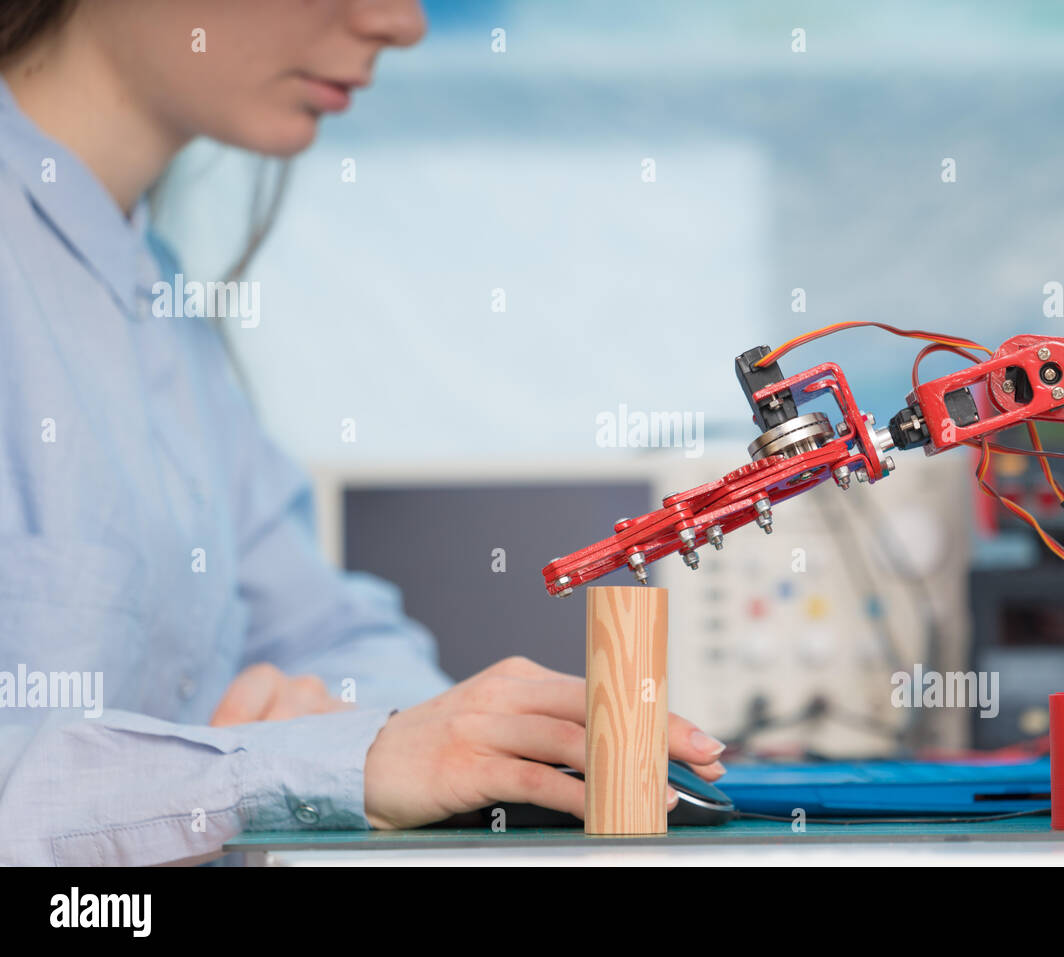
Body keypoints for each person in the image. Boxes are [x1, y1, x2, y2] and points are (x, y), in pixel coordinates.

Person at [0, 0, 724, 866]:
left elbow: (336, 637)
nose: (402, 22)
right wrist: (282, 767)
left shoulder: (158, 304)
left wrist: (342, 742)